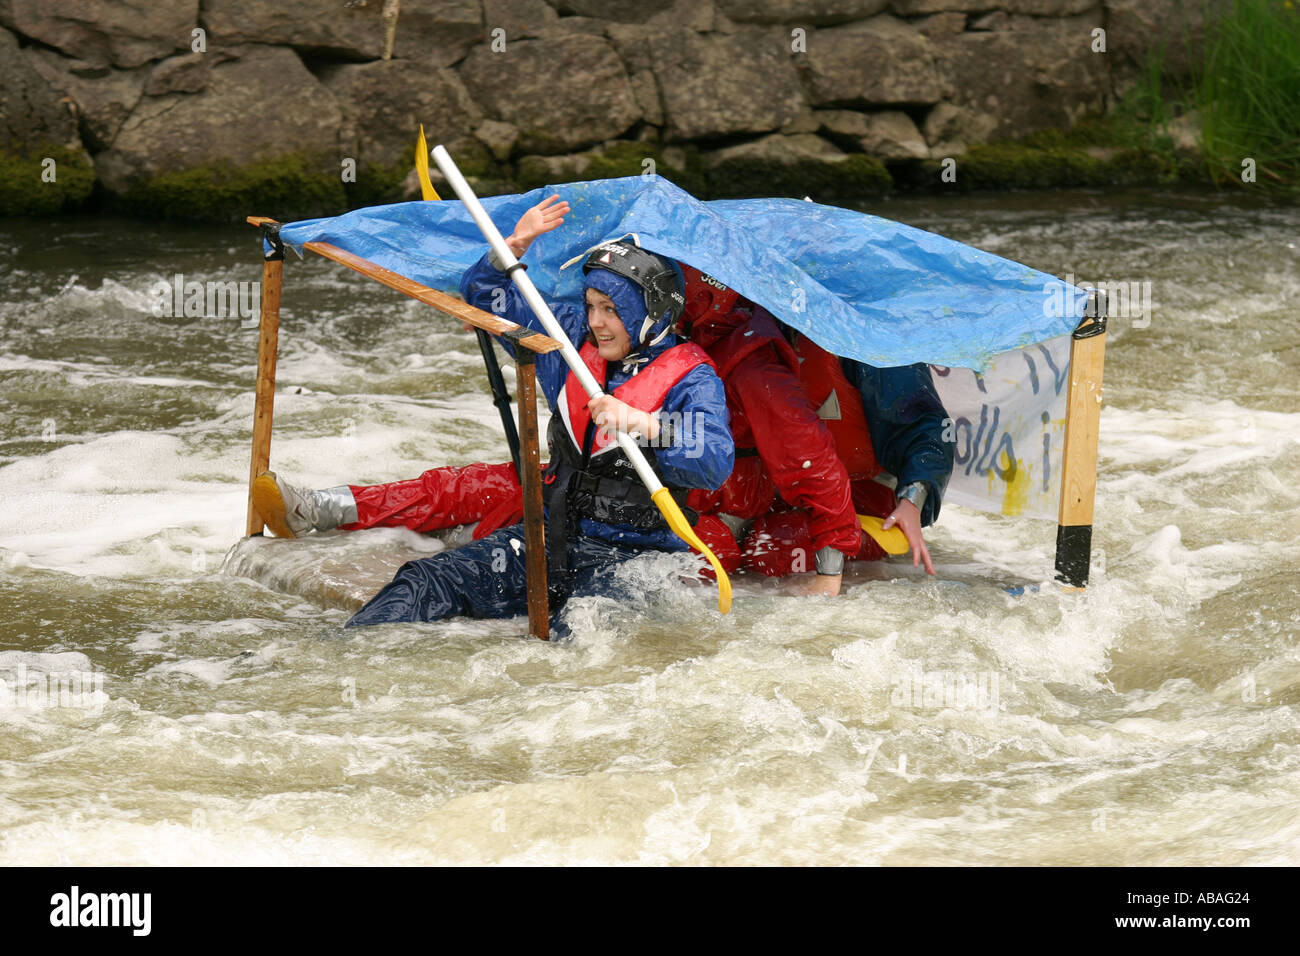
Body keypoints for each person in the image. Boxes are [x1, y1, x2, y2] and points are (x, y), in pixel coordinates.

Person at [335, 196, 733, 626]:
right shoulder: (568, 340)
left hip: (633, 560)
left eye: (612, 310)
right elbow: (488, 299)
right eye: (591, 305)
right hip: (552, 539)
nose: (596, 321)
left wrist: (647, 424)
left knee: (581, 627)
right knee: (426, 581)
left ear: (650, 313)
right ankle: (341, 651)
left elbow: (713, 461)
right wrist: (514, 246)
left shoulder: (692, 378)